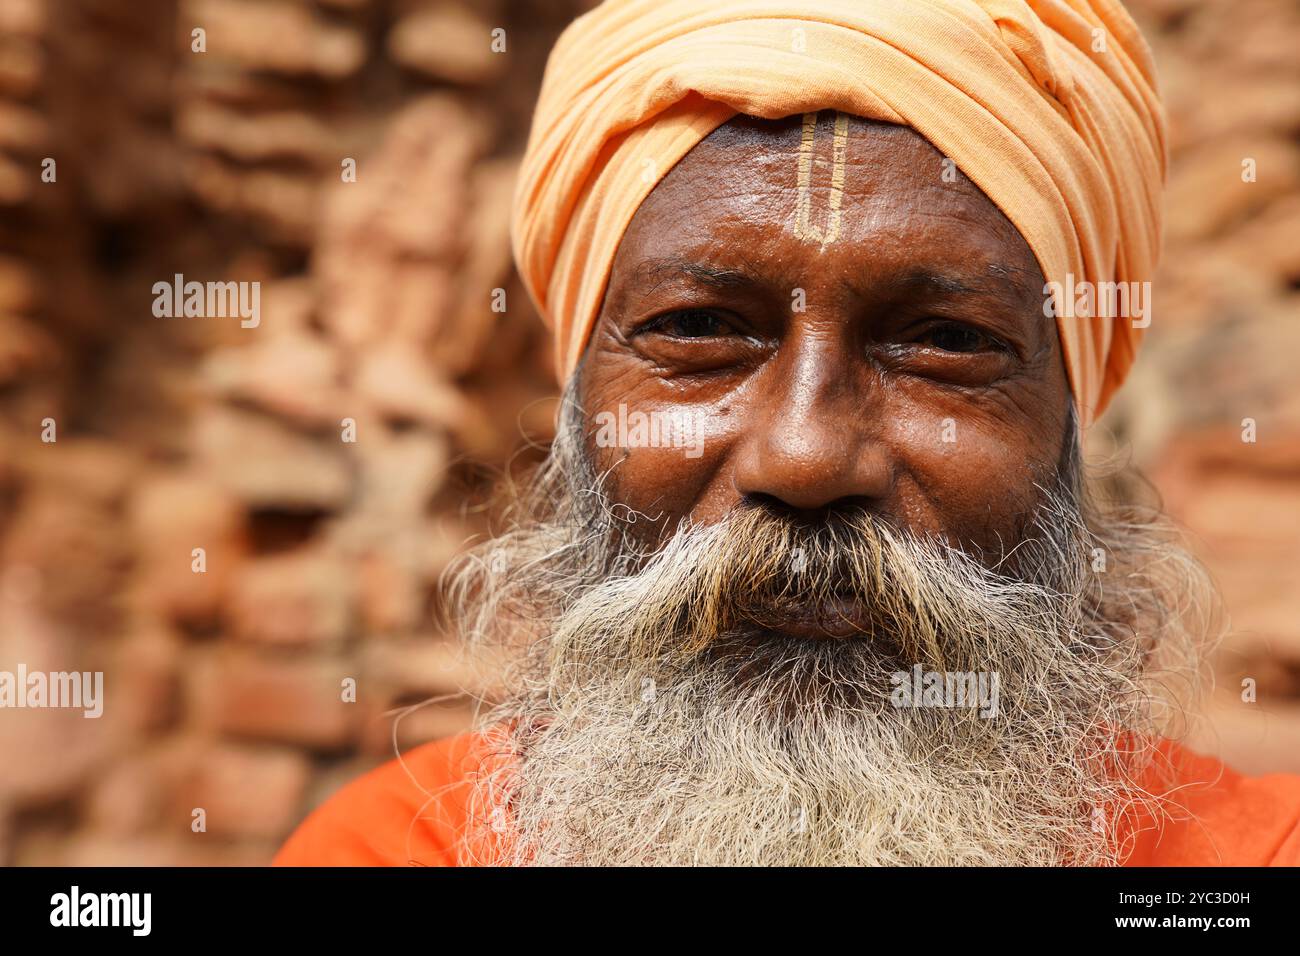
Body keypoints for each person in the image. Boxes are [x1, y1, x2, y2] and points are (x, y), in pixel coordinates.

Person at [274, 0, 1300, 866]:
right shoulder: (395, 851)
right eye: (699, 331)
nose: (805, 457)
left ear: (1070, 422)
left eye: (943, 342)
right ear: (578, 407)